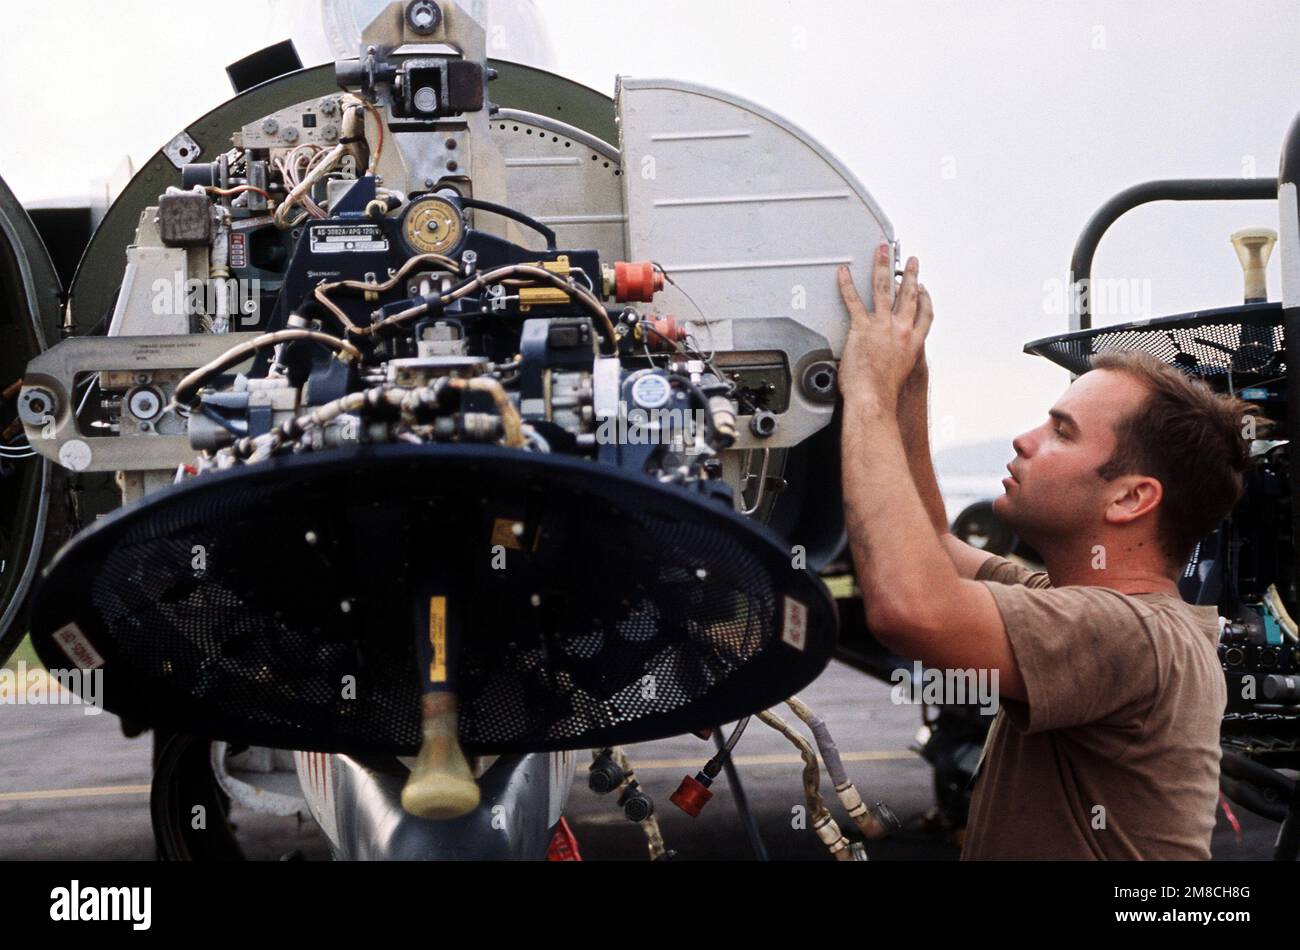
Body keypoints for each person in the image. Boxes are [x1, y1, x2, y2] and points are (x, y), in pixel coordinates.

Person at [836, 244, 1252, 859]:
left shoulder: (1131, 634)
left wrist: (867, 392)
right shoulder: (1083, 605)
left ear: (1131, 498)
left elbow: (910, 608)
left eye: (1061, 431)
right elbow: (934, 550)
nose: (1024, 439)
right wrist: (908, 384)